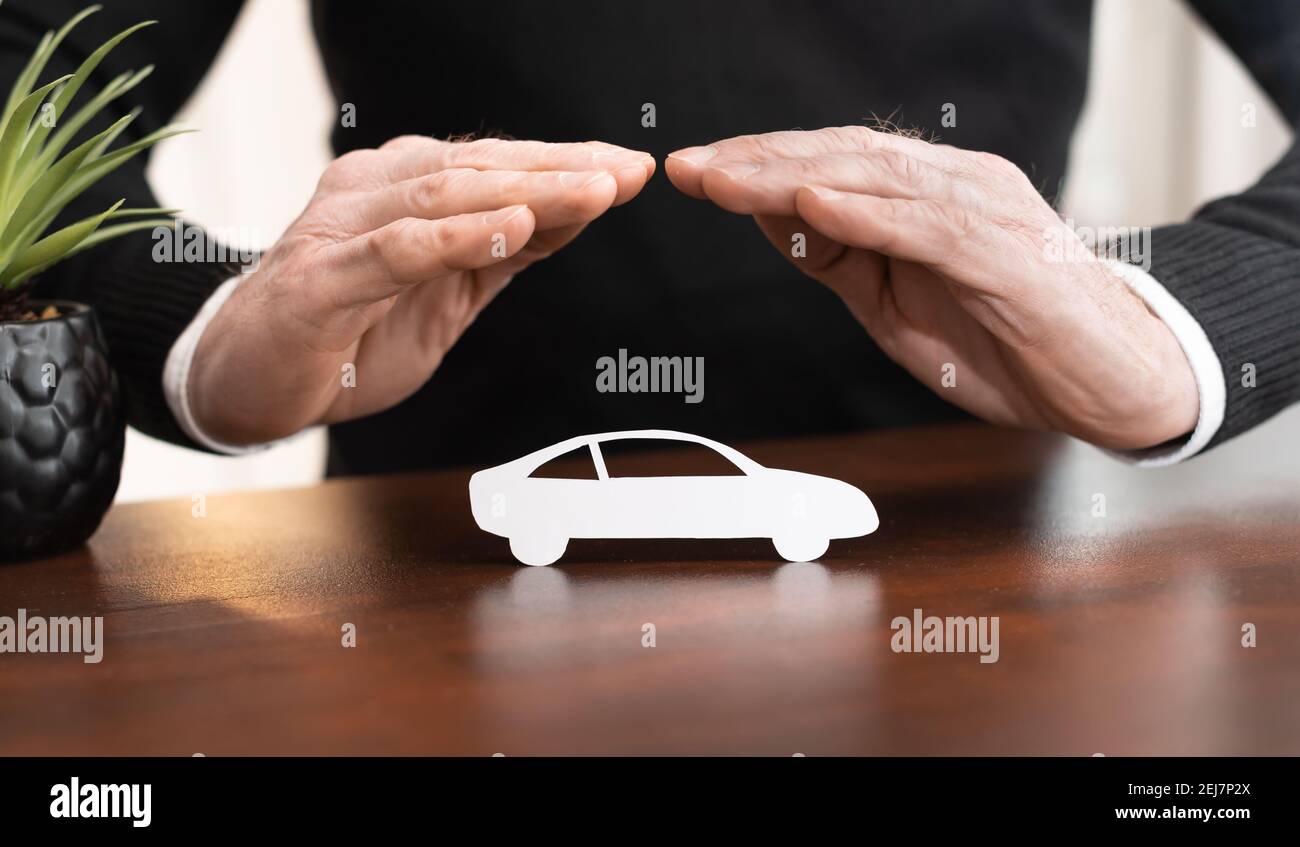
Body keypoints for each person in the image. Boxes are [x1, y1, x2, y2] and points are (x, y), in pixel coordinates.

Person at [3, 0, 1297, 476]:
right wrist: (203, 332)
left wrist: (1171, 329)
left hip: (988, 620)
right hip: (429, 613)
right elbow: (20, 83)